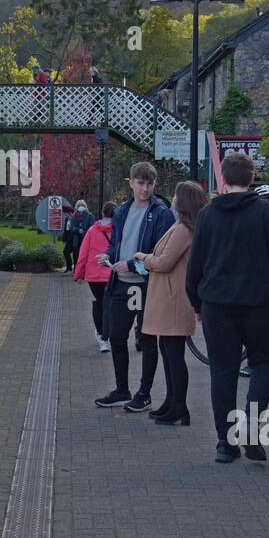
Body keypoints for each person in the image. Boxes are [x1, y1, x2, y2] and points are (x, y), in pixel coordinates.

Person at [187, 153, 269, 461]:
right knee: (265, 363)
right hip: (258, 304)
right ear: (252, 178)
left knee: (222, 371)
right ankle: (251, 423)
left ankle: (225, 443)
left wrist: (197, 302)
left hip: (217, 304)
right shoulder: (265, 213)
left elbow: (195, 263)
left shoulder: (208, 214)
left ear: (223, 178)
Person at [93, 161, 175, 412]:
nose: (145, 189)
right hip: (121, 284)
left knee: (147, 339)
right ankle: (122, 389)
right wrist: (107, 256)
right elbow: (116, 242)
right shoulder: (121, 211)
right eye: (140, 183)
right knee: (117, 336)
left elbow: (159, 253)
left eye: (149, 184)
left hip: (145, 285)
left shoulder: (161, 212)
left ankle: (144, 392)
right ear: (131, 183)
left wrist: (129, 263)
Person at [136, 180, 208, 426]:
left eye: (176, 194)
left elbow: (164, 262)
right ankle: (171, 402)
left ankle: (179, 406)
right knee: (168, 352)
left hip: (174, 298)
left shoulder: (183, 230)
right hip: (170, 297)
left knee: (173, 354)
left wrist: (144, 257)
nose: (173, 197)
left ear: (183, 200)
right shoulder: (182, 226)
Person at [74, 203, 115, 352]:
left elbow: (83, 254)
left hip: (93, 275)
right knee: (108, 304)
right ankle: (106, 337)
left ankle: (100, 334)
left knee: (99, 302)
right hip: (111, 273)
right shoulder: (118, 230)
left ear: (102, 213)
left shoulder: (92, 230)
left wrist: (78, 274)